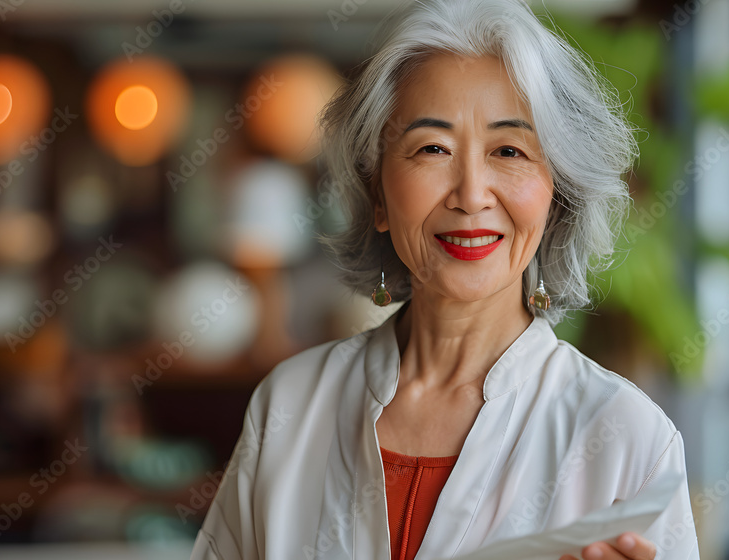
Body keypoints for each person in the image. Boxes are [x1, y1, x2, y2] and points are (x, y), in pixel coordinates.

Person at [190, 0, 699, 558]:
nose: (471, 194)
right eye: (432, 148)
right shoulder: (290, 404)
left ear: (557, 196)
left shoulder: (627, 438)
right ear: (377, 194)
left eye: (509, 150)